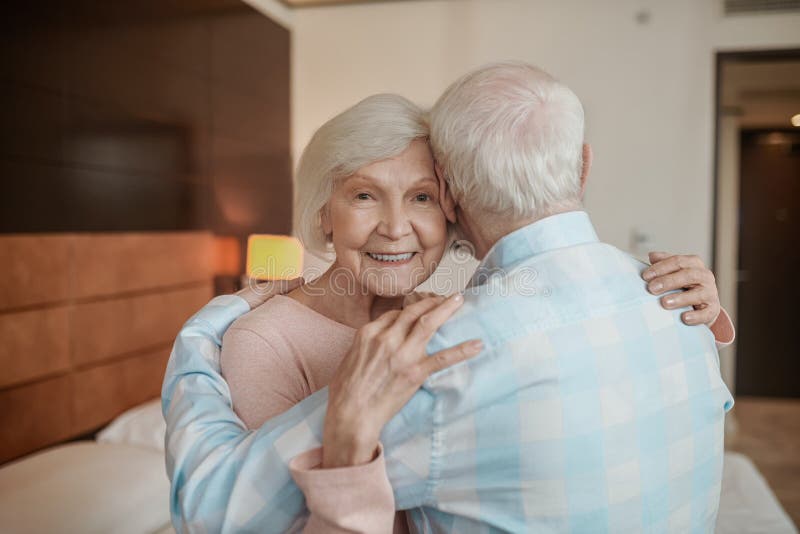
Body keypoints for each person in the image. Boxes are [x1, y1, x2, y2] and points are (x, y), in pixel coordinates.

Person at [162, 63, 734, 533]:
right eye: (365, 195)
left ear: (452, 204)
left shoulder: (448, 319)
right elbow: (221, 519)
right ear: (322, 213)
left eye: (421, 197)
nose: (395, 227)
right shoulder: (672, 308)